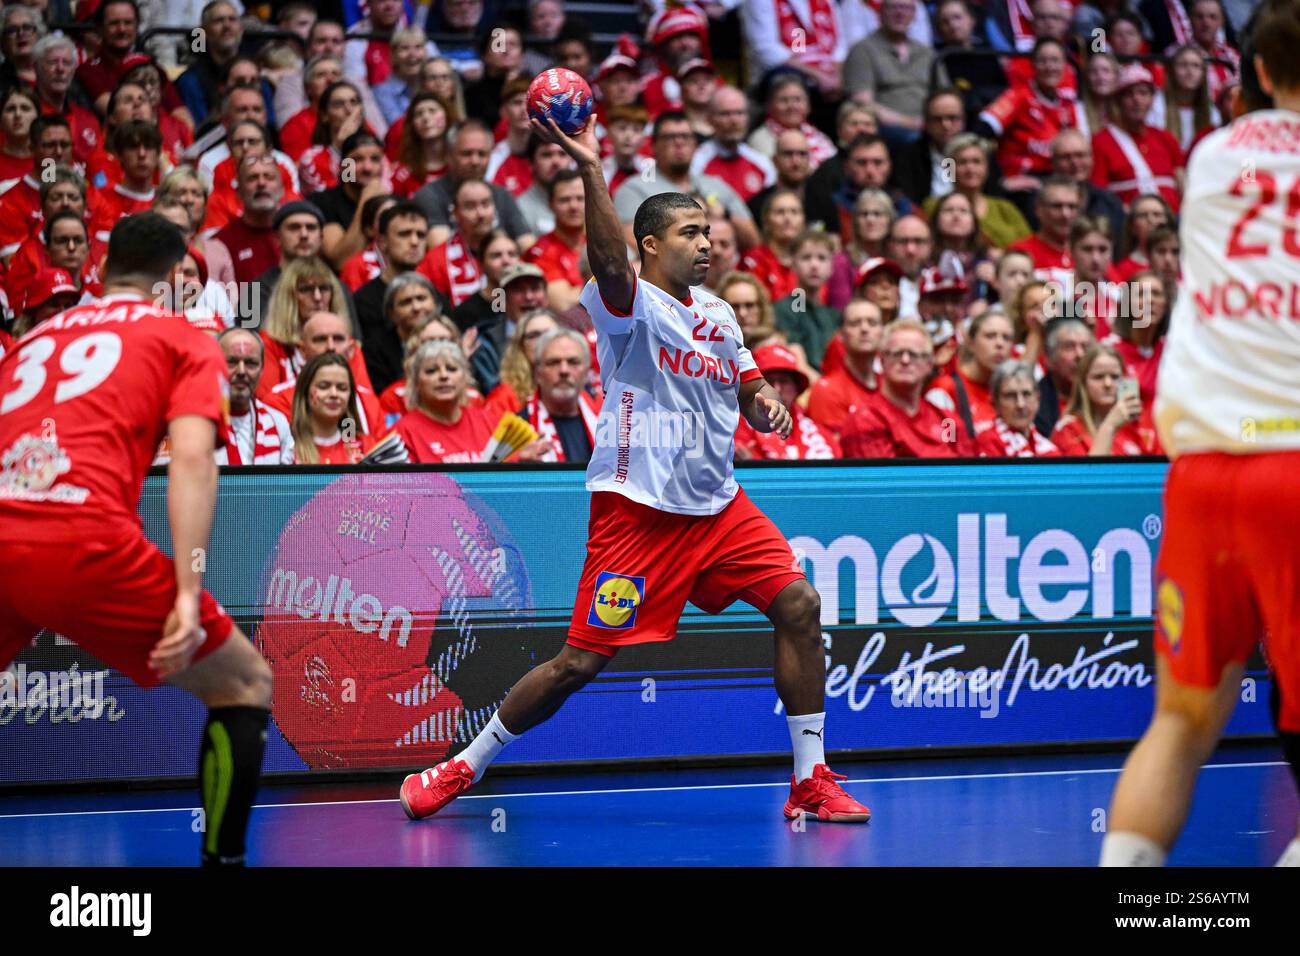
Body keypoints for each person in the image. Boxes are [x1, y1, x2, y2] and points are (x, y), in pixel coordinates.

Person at [400, 110, 870, 825]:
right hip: (637, 516)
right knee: (578, 665)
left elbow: (744, 383)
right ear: (651, 244)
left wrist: (762, 400)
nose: (707, 243)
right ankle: (464, 765)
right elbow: (610, 263)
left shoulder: (719, 314)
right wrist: (591, 168)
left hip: (718, 507)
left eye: (710, 232)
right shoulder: (628, 306)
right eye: (691, 233)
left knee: (800, 606)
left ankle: (811, 777)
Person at [0, 212, 272, 867]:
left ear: (100, 267)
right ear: (178, 274)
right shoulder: (182, 337)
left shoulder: (33, 339)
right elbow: (192, 463)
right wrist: (188, 586)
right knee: (244, 683)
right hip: (80, 536)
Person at [1103, 0, 1300, 868]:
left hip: (1206, 467)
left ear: (1256, 70)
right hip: (1294, 464)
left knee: (1180, 720)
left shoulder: (1210, 157)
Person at [614, 111, 759, 250]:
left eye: (685, 136)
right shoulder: (634, 189)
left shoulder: (715, 185)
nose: (679, 143)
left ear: (695, 144)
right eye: (670, 137)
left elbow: (753, 241)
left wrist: (725, 214)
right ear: (654, 145)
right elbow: (634, 243)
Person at [839, 317, 976, 458]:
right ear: (882, 360)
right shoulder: (865, 421)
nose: (905, 360)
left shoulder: (948, 422)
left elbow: (964, 471)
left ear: (929, 364)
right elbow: (884, 478)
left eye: (914, 354)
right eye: (897, 353)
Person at [394, 340, 547, 463]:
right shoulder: (403, 433)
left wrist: (520, 461)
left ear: (466, 378)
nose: (443, 376)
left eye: (452, 369)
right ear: (416, 383)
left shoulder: (490, 422)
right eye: (431, 371)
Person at [413, 120, 533, 250]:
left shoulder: (501, 195)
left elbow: (528, 246)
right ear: (449, 155)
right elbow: (442, 249)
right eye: (466, 154)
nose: (475, 161)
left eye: (482, 154)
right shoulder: (430, 196)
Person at [844, 0, 947, 149]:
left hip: (930, 126)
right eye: (893, 7)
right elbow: (862, 103)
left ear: (914, 15)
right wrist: (912, 123)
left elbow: (945, 96)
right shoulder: (862, 50)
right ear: (880, 12)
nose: (900, 13)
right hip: (886, 129)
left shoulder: (927, 53)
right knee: (914, 140)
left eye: (906, 8)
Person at [1091, 64, 1185, 211]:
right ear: (1118, 101)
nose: (1137, 100)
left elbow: (1182, 185)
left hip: (1172, 222)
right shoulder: (1101, 141)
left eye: (1143, 93)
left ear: (1152, 99)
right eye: (1129, 94)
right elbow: (1099, 193)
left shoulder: (1165, 137)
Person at [924, 134, 1032, 250]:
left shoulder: (1005, 209)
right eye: (962, 162)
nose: (970, 169)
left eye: (977, 162)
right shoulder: (934, 206)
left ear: (987, 168)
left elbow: (1030, 248)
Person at [735, 343, 841, 460]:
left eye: (783, 381)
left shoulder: (820, 436)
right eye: (768, 381)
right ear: (753, 387)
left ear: (796, 388)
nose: (777, 389)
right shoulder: (734, 427)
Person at [1051, 343, 1159, 455]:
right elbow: (1091, 472)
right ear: (1083, 383)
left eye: (1115, 377)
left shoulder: (1134, 427)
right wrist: (1110, 426)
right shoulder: (1068, 429)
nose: (1108, 384)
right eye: (1098, 377)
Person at [520, 327, 600, 463]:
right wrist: (520, 469)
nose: (564, 370)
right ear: (537, 373)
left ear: (587, 372)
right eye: (554, 362)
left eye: (573, 362)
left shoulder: (607, 422)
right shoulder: (518, 430)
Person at [215, 327, 294, 465]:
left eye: (251, 363)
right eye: (232, 362)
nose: (241, 371)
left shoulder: (278, 423)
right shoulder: (195, 424)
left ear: (262, 369)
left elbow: (286, 485)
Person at [807, 299, 884, 438]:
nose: (864, 329)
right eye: (855, 323)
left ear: (882, 333)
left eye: (872, 323)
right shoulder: (827, 390)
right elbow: (832, 453)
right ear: (841, 335)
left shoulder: (890, 387)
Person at [691, 86, 777, 203]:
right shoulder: (697, 162)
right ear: (710, 119)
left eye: (739, 113)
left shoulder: (762, 163)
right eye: (725, 114)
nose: (734, 120)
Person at [288, 351, 375, 464]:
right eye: (324, 386)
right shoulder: (289, 446)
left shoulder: (365, 446)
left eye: (342, 388)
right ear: (305, 392)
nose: (334, 394)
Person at [210, 154, 284, 284]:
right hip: (248, 304)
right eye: (252, 178)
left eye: (269, 177)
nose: (261, 183)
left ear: (282, 189)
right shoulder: (221, 244)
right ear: (238, 192)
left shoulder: (300, 233)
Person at [1050, 128, 1126, 252]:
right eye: (1066, 157)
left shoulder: (1110, 202)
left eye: (1080, 155)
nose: (1074, 162)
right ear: (1053, 162)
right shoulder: (1039, 202)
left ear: (1092, 159)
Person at [773, 230, 839, 369]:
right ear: (793, 262)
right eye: (806, 258)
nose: (814, 265)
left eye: (821, 258)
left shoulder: (833, 315)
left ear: (831, 266)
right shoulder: (785, 309)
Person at [525, 169, 586, 312]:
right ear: (550, 205)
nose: (573, 206)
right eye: (564, 200)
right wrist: (607, 283)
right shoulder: (541, 253)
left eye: (580, 198)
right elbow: (563, 305)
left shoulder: (601, 242)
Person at [746, 76, 837, 169]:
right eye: (784, 100)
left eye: (798, 99)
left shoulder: (817, 135)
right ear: (769, 106)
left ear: (808, 106)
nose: (792, 106)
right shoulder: (760, 139)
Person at [977, 359, 1061, 457]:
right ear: (995, 403)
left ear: (1038, 399)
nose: (1020, 404)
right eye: (1010, 396)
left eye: (1026, 394)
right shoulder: (986, 442)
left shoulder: (1048, 448)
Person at [1009, 176, 1083, 286]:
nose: (1065, 214)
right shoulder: (1020, 253)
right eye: (1057, 206)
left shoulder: (1091, 252)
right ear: (1039, 209)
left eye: (1072, 207)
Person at [827, 188, 894, 309]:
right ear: (855, 221)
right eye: (864, 214)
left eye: (877, 214)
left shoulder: (896, 258)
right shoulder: (841, 262)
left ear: (890, 221)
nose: (870, 219)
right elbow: (841, 310)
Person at [741, 189, 808, 304]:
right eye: (780, 212)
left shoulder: (812, 260)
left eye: (794, 212)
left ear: (803, 220)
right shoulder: (753, 260)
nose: (788, 218)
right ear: (766, 221)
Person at [1034, 316, 1093, 436]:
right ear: (1049, 357)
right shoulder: (1035, 405)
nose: (1080, 355)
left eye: (1085, 347)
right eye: (1069, 347)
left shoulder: (1103, 399)